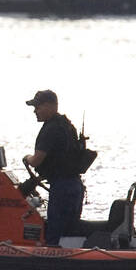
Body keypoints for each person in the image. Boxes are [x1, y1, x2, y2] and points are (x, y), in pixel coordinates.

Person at [23, 90, 84, 246]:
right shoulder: (67, 126)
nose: (35, 111)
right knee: (69, 233)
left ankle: (50, 262)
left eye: (38, 107)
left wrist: (27, 158)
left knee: (54, 236)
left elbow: (36, 160)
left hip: (62, 187)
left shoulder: (50, 129)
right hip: (75, 186)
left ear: (50, 106)